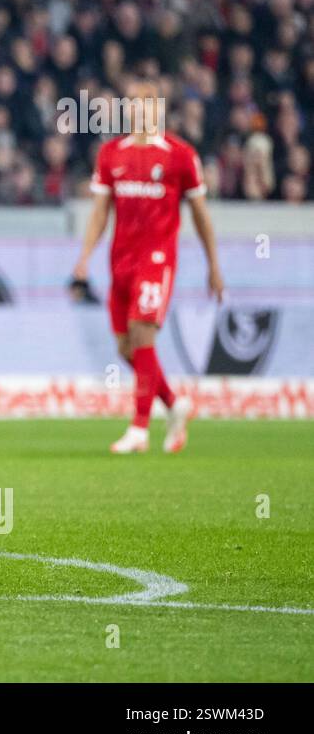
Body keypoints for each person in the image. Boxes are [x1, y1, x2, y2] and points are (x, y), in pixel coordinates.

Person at [73, 78, 225, 454]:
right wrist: (84, 257)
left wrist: (213, 265)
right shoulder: (111, 154)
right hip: (120, 261)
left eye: (148, 102)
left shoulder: (180, 155)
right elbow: (99, 213)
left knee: (143, 333)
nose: (141, 109)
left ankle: (139, 429)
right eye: (134, 103)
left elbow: (201, 215)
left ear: (159, 109)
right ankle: (175, 405)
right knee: (126, 347)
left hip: (157, 260)